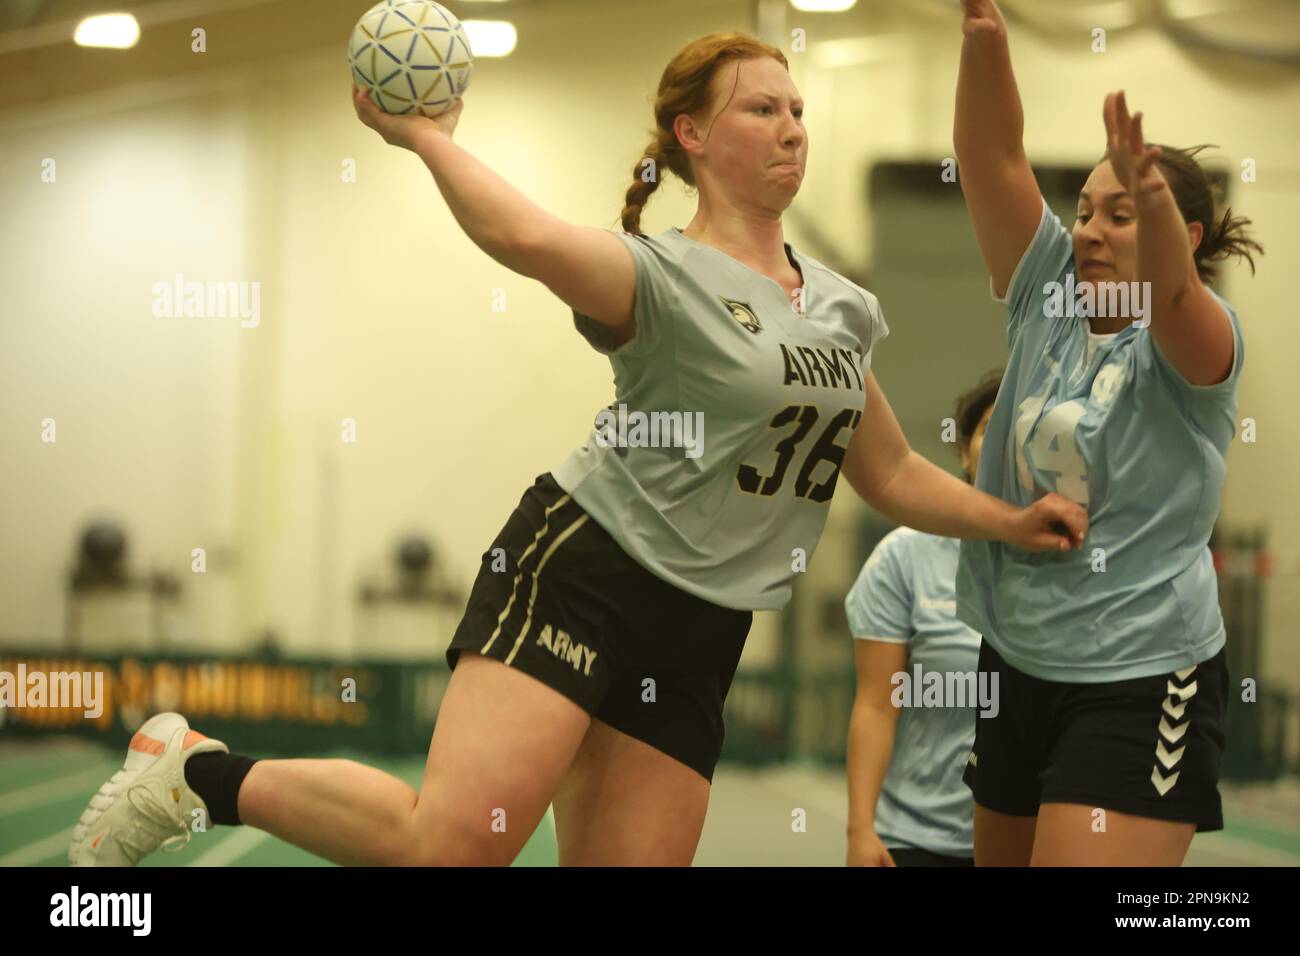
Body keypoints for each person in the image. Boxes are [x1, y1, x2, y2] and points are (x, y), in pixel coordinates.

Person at [70, 32, 1085, 868]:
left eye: (797, 110)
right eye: (761, 109)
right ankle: (193, 771)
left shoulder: (842, 309)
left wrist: (1009, 521)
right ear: (692, 136)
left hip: (705, 627)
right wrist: (426, 139)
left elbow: (891, 472)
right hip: (586, 571)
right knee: (451, 847)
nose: (791, 127)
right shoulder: (659, 274)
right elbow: (522, 235)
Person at [953, 0, 1264, 866]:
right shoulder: (1046, 289)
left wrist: (1151, 195)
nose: (1088, 229)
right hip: (1016, 657)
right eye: (1085, 209)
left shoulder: (1195, 343)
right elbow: (990, 158)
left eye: (1118, 215)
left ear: (1179, 234)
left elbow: (1174, 293)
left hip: (1138, 675)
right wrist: (984, 43)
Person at [845, 370, 1000, 867]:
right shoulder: (904, 558)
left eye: (1019, 429)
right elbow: (876, 705)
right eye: (989, 427)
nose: (1003, 440)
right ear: (964, 452)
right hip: (914, 840)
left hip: (1024, 838)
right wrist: (860, 831)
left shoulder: (1069, 562)